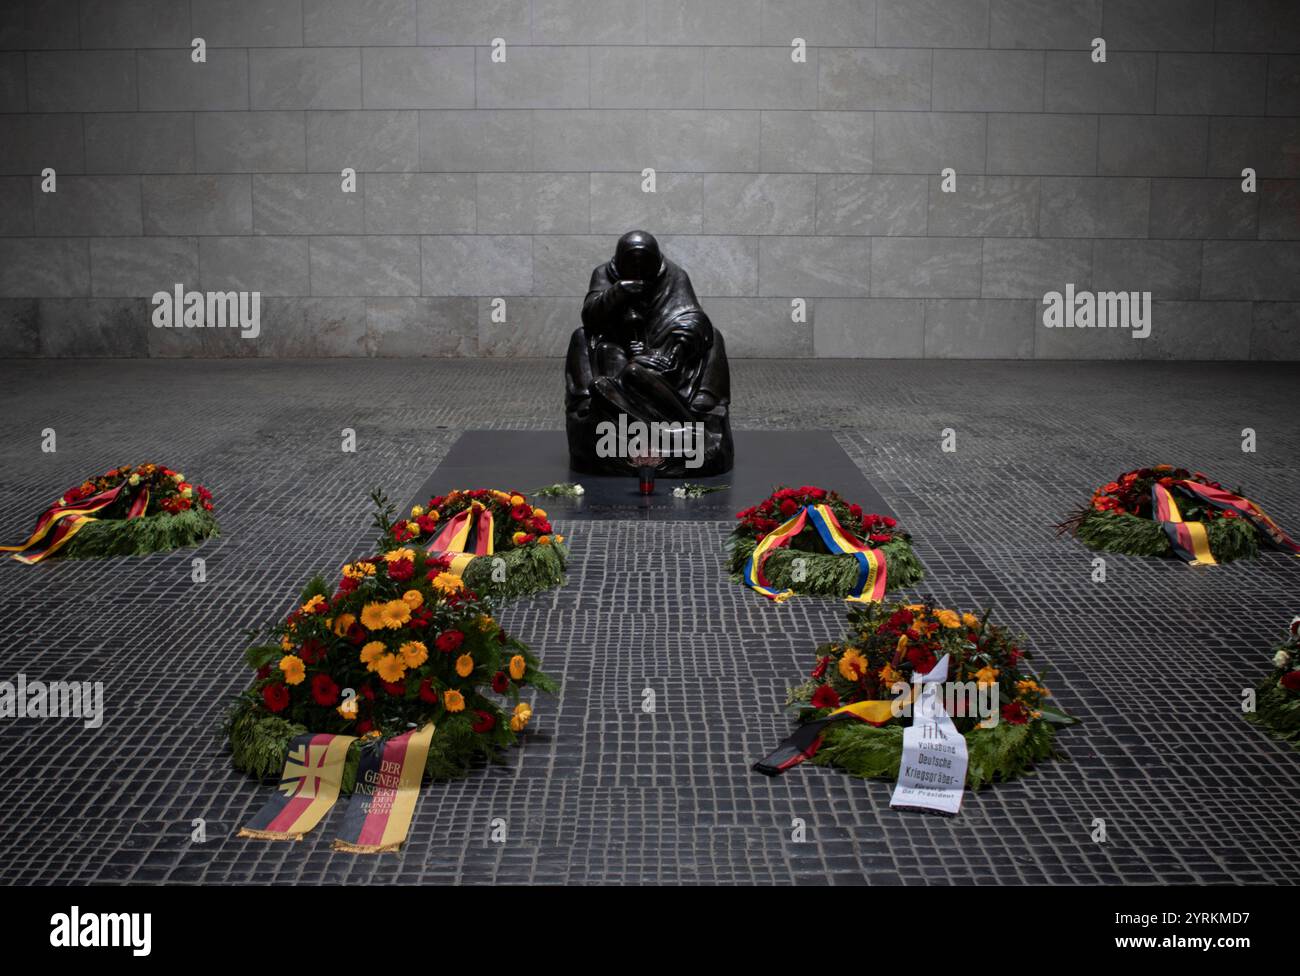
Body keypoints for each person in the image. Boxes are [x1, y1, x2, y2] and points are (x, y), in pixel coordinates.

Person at [565, 230, 734, 476]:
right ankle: (671, 431)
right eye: (631, 262)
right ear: (619, 261)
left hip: (662, 351)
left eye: (644, 262)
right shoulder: (604, 274)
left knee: (712, 336)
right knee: (583, 341)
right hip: (617, 348)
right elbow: (591, 316)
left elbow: (692, 315)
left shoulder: (675, 275)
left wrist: (673, 349)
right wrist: (619, 291)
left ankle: (698, 407)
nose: (638, 268)